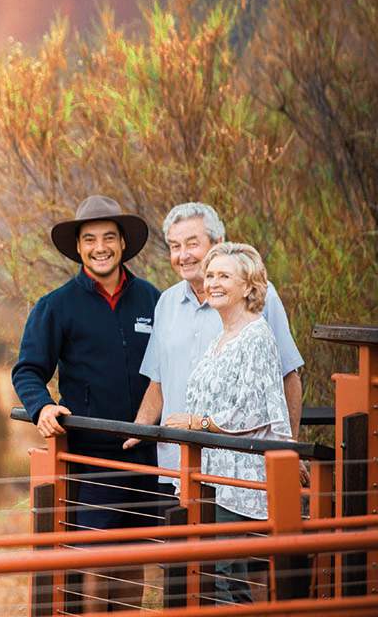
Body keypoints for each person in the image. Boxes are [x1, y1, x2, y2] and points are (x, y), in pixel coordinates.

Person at [12, 195, 161, 611]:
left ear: (123, 244)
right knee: (94, 567)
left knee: (136, 563)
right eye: (90, 239)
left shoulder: (153, 300)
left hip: (147, 456)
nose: (100, 247)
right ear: (77, 248)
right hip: (91, 460)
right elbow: (27, 370)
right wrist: (42, 406)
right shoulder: (56, 306)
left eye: (109, 237)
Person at [124, 203, 304, 484]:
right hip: (175, 466)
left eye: (192, 244)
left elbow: (287, 378)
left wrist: (290, 449)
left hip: (237, 468)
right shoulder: (166, 303)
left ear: (218, 243)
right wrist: (137, 431)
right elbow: (158, 385)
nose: (183, 255)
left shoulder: (259, 298)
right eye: (174, 246)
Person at [161, 242, 292, 604]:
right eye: (210, 275)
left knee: (226, 581)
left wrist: (196, 422)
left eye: (224, 275)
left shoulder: (256, 335)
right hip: (211, 476)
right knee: (212, 579)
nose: (213, 283)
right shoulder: (222, 338)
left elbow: (252, 410)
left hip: (240, 481)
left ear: (249, 287)